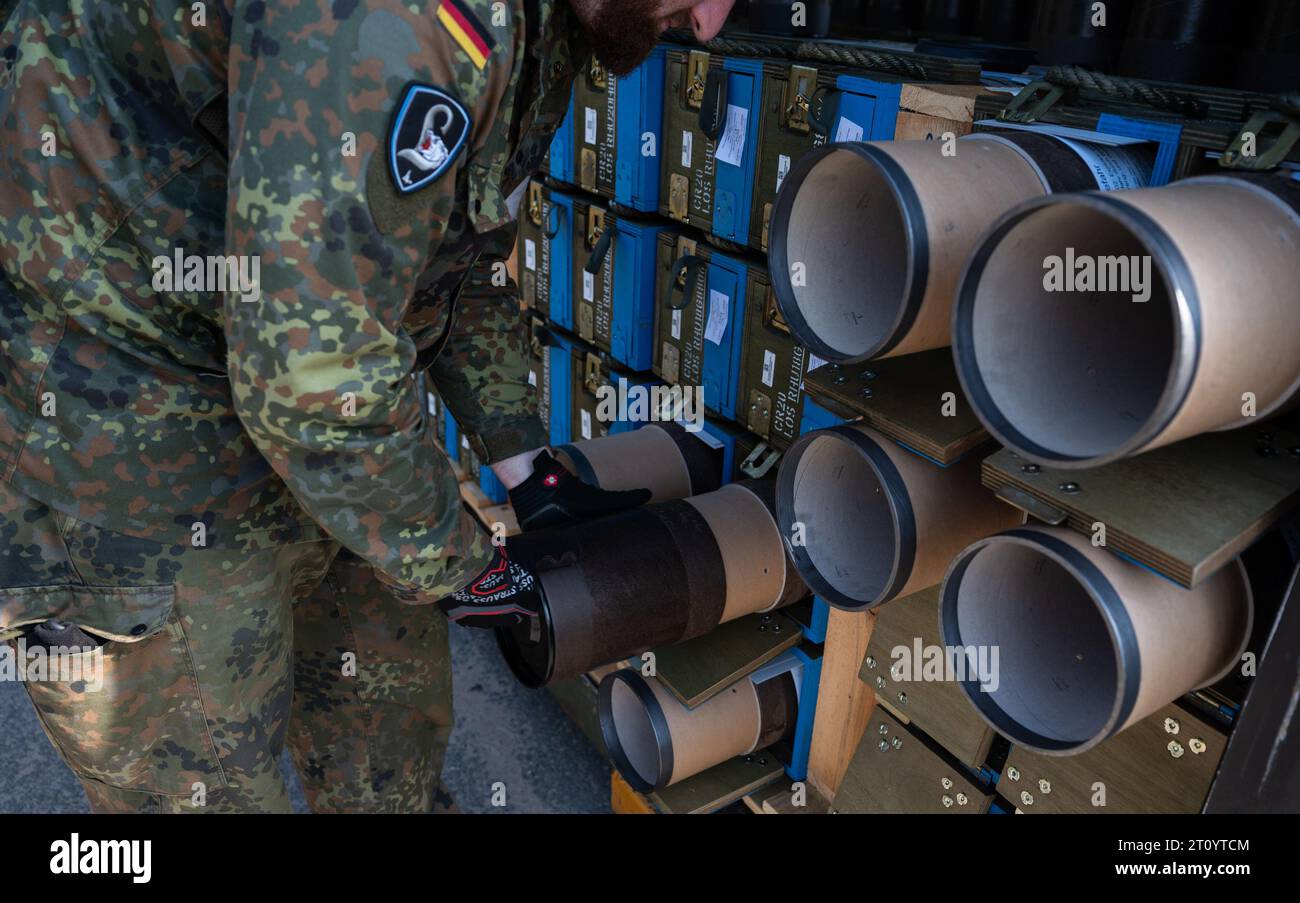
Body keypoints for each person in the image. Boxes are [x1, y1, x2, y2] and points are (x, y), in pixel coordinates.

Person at [0, 0, 736, 814]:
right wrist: (458, 560)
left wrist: (529, 472)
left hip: (306, 394)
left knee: (388, 738)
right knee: (203, 790)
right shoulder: (401, 17)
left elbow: (456, 262)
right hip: (121, 429)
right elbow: (312, 376)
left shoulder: (546, 30)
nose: (707, 23)